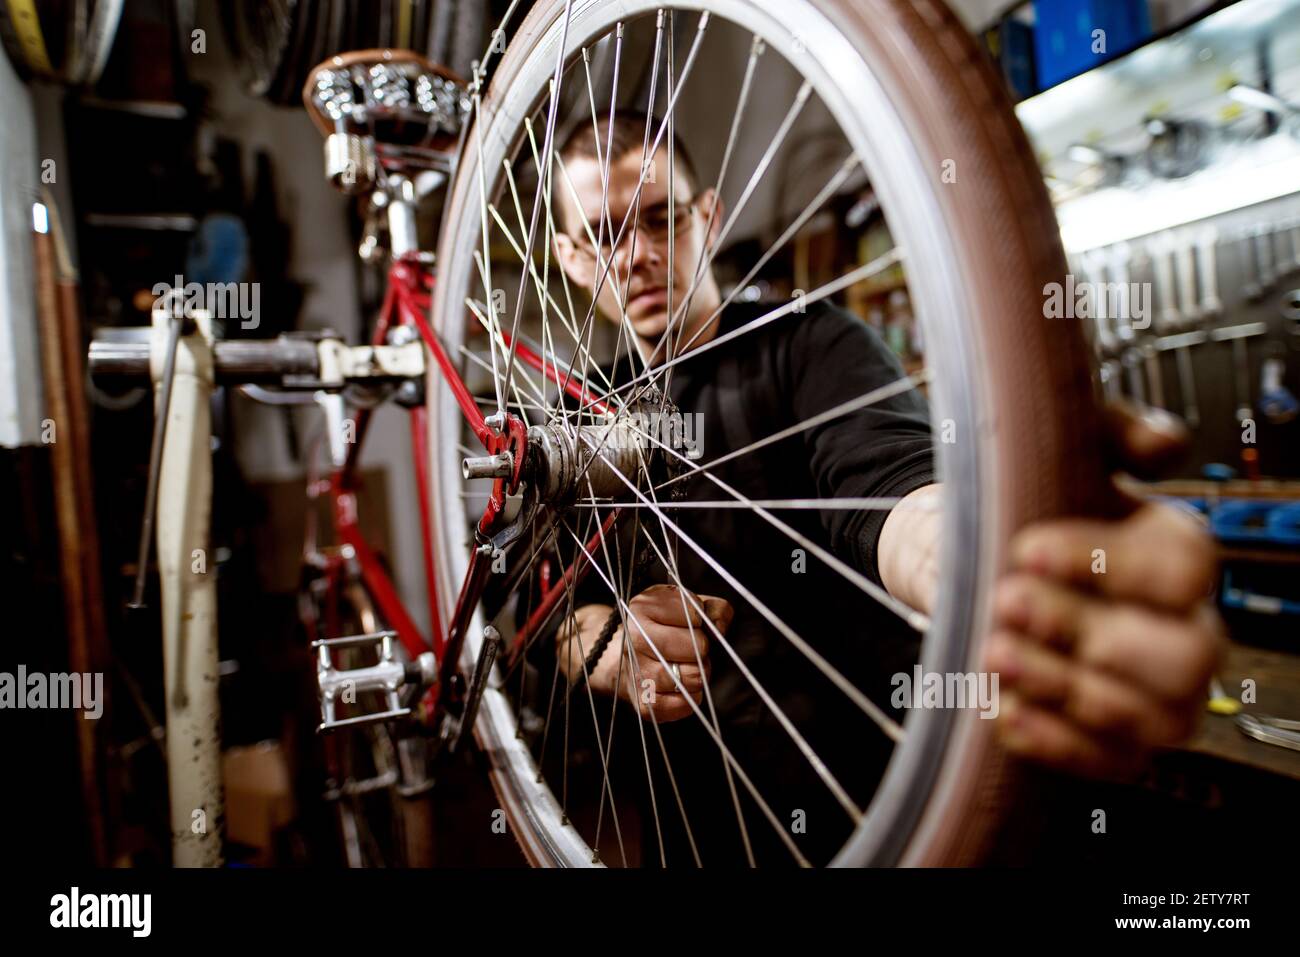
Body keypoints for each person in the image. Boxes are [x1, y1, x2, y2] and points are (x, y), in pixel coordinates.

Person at [542, 112, 1223, 866]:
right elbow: (545, 615)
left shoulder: (813, 344)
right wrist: (602, 648)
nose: (636, 255)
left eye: (662, 217)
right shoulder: (576, 419)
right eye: (604, 235)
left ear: (709, 216)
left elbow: (896, 492)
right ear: (572, 259)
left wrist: (995, 568)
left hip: (883, 809)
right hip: (694, 826)